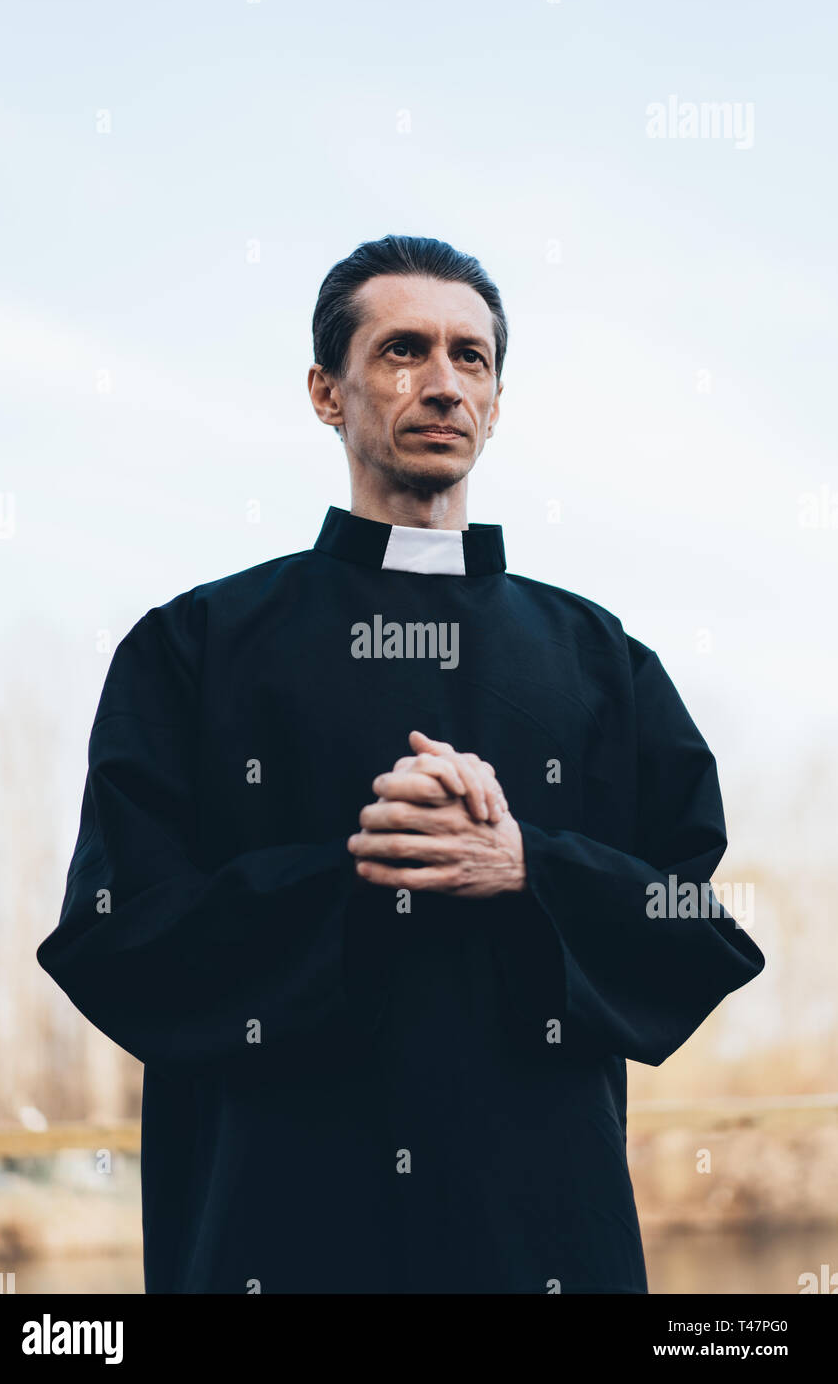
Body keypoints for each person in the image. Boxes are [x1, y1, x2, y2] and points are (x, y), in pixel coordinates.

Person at [37, 234, 765, 1294]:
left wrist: (529, 865)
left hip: (543, 1241)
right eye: (402, 351)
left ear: (499, 402)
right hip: (272, 1235)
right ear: (326, 393)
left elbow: (696, 927)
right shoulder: (193, 646)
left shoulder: (601, 661)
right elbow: (113, 940)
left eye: (470, 358)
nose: (440, 383)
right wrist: (356, 877)